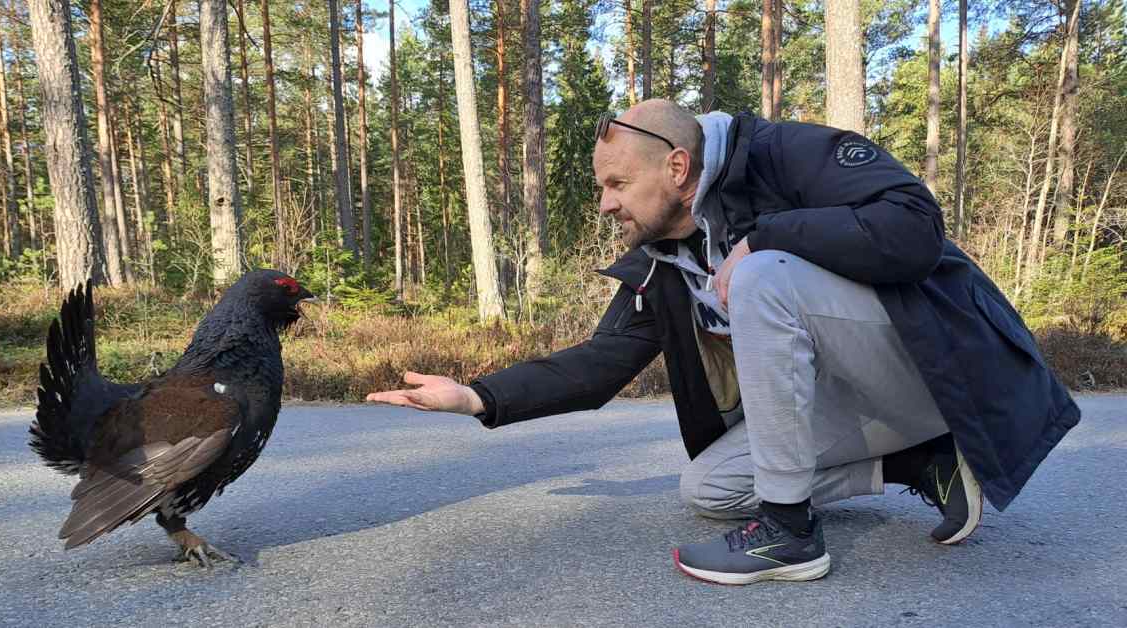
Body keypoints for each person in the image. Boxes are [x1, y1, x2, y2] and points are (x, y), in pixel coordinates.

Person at [366, 100, 1080, 585]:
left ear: (677, 167)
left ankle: (789, 534)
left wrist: (768, 235)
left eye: (617, 184)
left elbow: (914, 226)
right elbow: (600, 364)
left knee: (764, 273)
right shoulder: (667, 257)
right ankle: (920, 461)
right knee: (709, 486)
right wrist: (475, 396)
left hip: (943, 370)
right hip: (882, 403)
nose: (607, 203)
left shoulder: (784, 155)